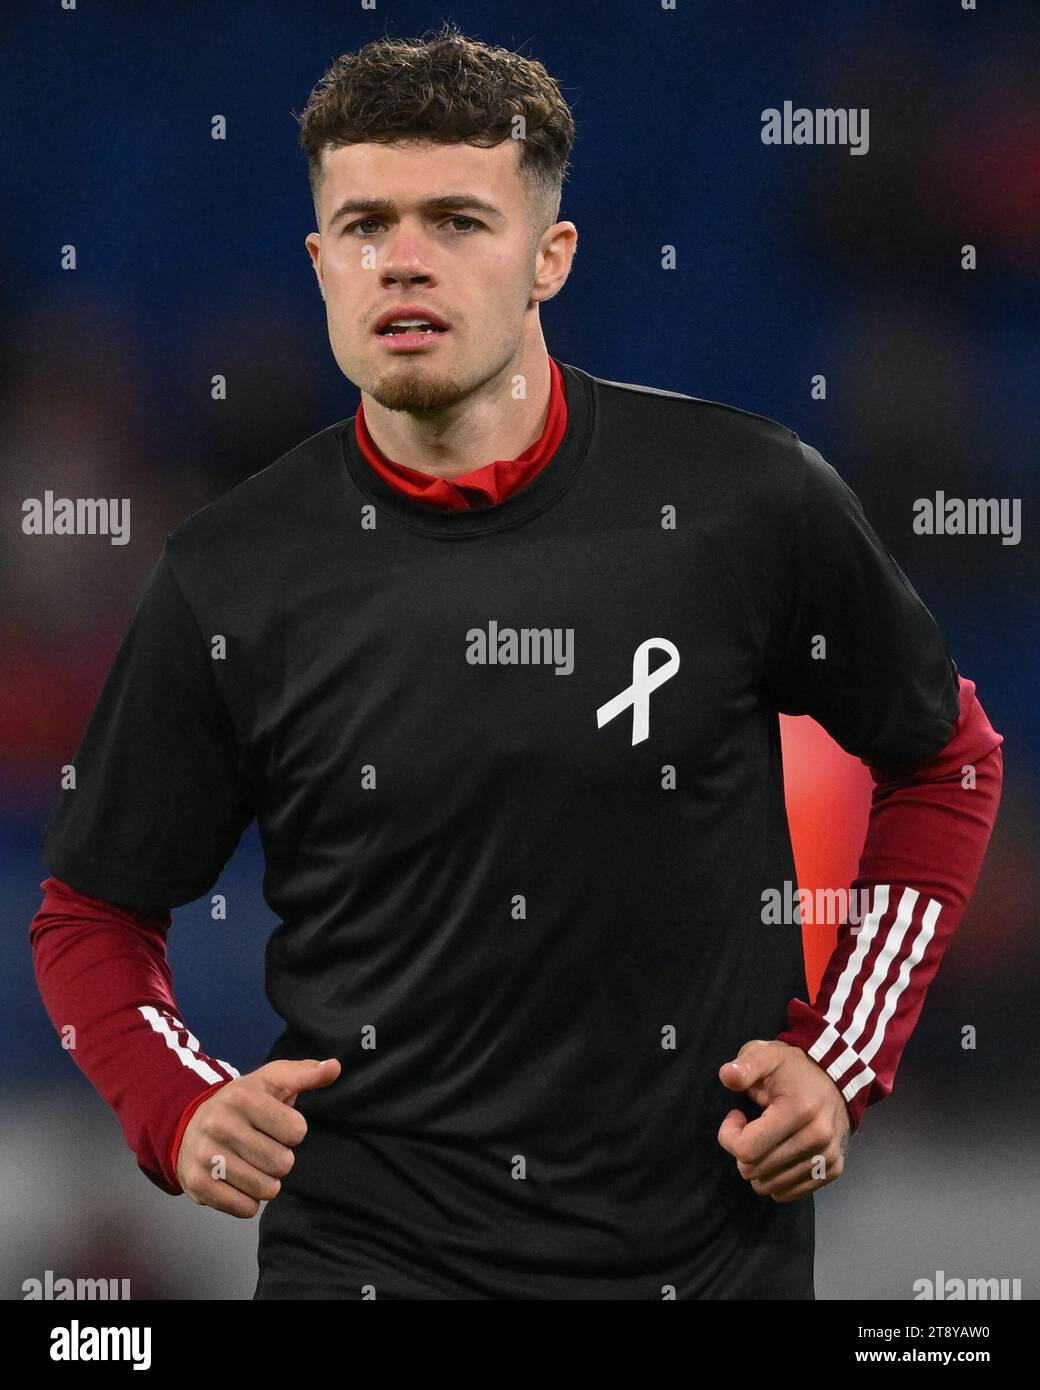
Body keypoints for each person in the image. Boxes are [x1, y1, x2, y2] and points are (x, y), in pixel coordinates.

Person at [32, 23, 1003, 1300]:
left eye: (457, 221)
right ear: (321, 263)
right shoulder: (231, 570)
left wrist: (843, 1056)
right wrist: (175, 1100)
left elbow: (944, 760)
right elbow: (92, 911)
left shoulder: (742, 503)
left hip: (700, 1256)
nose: (405, 263)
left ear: (549, 258)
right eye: (367, 224)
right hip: (366, 1257)